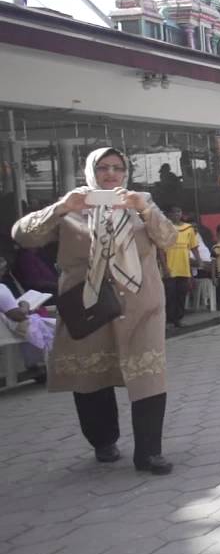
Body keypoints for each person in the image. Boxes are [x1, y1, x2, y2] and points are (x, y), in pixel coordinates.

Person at [11, 147, 176, 474]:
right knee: (91, 378)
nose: (111, 174)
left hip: (141, 306)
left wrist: (145, 210)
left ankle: (149, 452)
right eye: (103, 168)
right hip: (89, 306)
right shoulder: (72, 208)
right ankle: (103, 441)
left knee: (148, 376)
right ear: (91, 172)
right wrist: (60, 208)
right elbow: (22, 236)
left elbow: (169, 239)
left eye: (117, 168)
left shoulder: (140, 204)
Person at [0, 254, 55, 377]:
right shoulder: (1, 288)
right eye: (2, 270)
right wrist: (25, 304)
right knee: (59, 328)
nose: (3, 273)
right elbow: (18, 315)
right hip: (19, 325)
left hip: (12, 325)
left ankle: (38, 367)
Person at [162, 206, 201, 328]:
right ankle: (169, 319)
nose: (176, 214)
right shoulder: (164, 228)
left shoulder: (188, 228)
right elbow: (160, 250)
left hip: (183, 267)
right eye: (173, 212)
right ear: (168, 214)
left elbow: (193, 246)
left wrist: (198, 259)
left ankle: (178, 319)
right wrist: (164, 267)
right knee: (169, 294)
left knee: (181, 293)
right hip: (169, 267)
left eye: (178, 212)